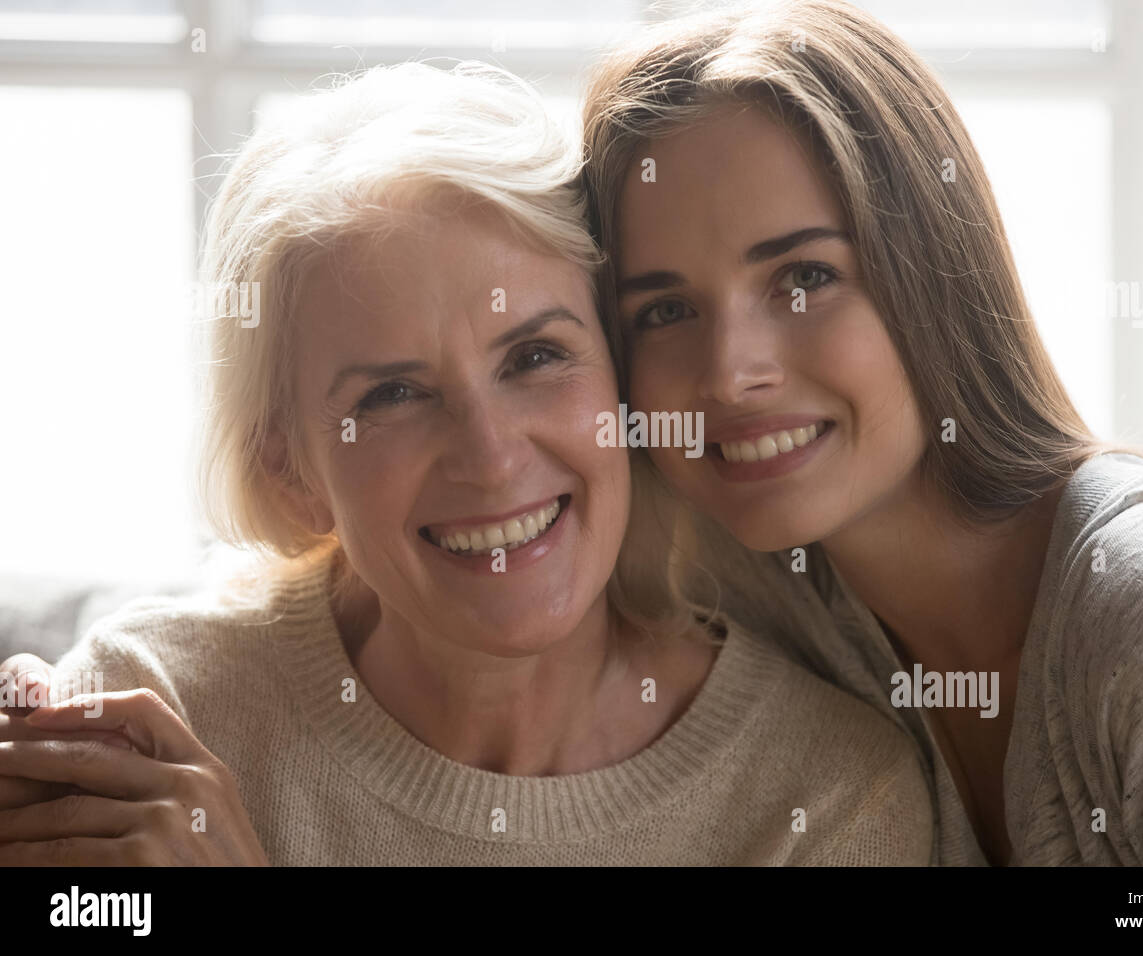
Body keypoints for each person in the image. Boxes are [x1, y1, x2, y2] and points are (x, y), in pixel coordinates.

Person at [0, 61, 933, 866]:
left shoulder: (826, 799)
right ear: (292, 467)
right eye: (393, 396)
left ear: (622, 381)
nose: (490, 460)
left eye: (534, 358)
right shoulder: (147, 722)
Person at [579, 0, 1143, 865]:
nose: (731, 373)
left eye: (805, 277)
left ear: (933, 275)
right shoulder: (751, 612)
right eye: (664, 309)